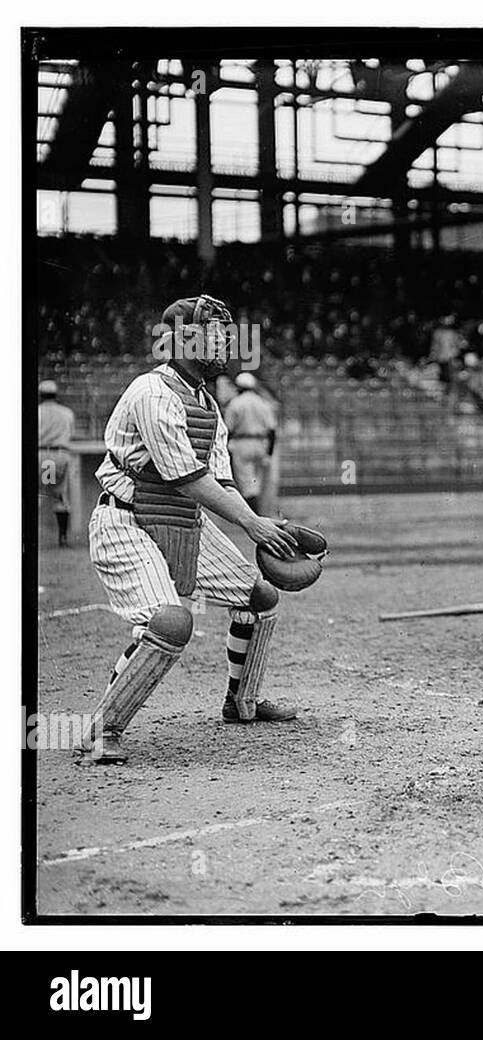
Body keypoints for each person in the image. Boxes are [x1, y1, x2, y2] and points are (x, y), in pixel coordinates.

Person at [83, 295, 300, 764]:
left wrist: (265, 522)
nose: (224, 340)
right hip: (128, 519)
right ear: (181, 340)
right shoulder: (152, 392)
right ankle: (102, 729)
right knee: (170, 622)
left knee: (259, 600)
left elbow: (221, 482)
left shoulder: (207, 402)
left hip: (182, 519)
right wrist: (252, 524)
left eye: (225, 332)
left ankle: (241, 703)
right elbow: (188, 478)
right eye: (212, 332)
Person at [224, 371, 278, 515]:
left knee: (247, 484)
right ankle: (263, 514)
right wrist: (269, 453)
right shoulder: (262, 402)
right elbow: (272, 430)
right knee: (258, 483)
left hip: (242, 442)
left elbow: (227, 429)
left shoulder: (235, 403)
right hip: (262, 443)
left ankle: (255, 516)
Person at [37, 380, 76, 547]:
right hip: (60, 454)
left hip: (45, 455)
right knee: (60, 497)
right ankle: (62, 537)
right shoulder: (66, 412)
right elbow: (71, 433)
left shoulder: (37, 411)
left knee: (42, 494)